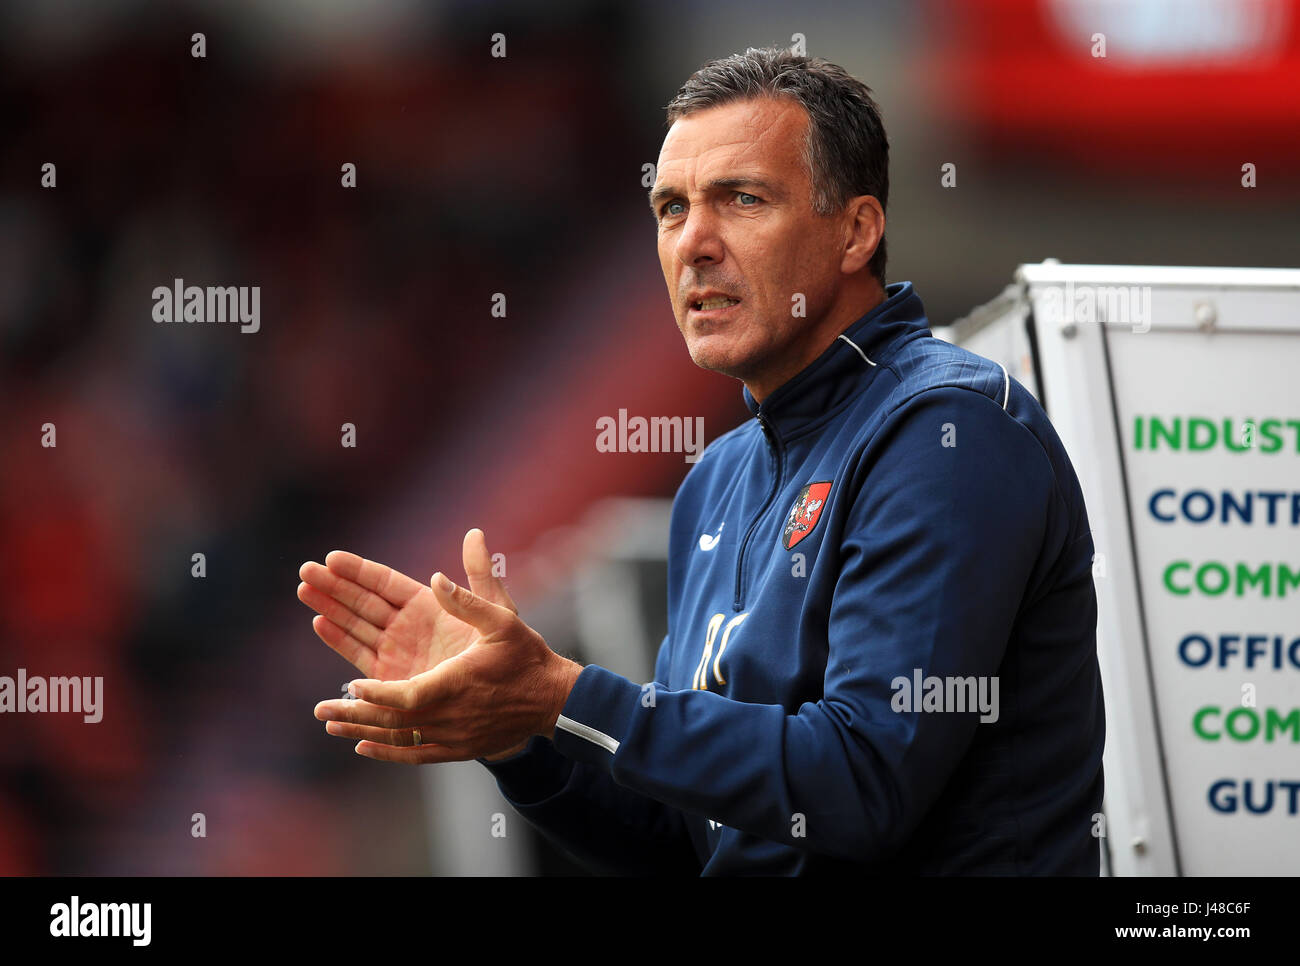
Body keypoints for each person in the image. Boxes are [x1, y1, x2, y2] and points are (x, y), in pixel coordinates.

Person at [299, 46, 1105, 875]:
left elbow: (862, 783)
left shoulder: (946, 431)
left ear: (857, 230)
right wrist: (520, 733)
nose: (695, 244)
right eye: (671, 208)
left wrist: (565, 694)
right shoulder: (717, 480)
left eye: (743, 200)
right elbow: (689, 845)